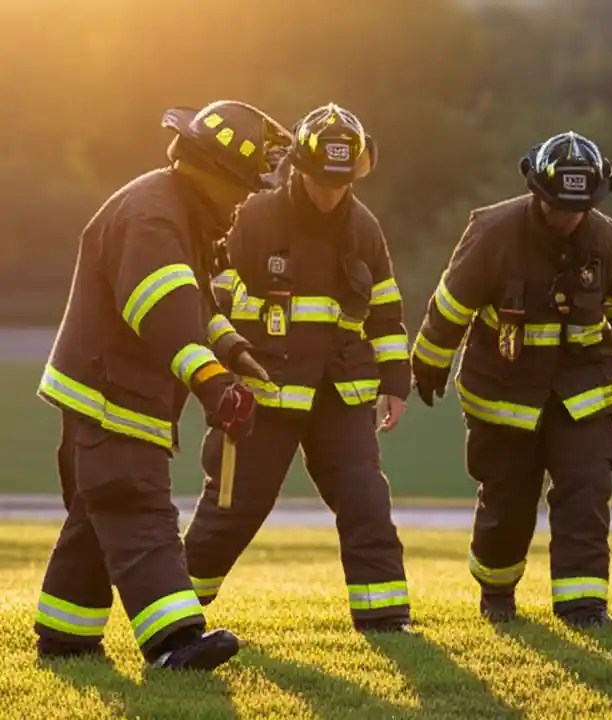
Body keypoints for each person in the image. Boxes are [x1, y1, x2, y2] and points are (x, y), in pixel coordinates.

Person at [34, 100, 290, 669]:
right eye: (243, 186)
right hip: (112, 400)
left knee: (96, 517)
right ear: (214, 172)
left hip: (110, 395)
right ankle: (175, 642)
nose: (245, 200)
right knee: (135, 508)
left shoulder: (176, 209)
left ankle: (64, 634)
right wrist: (214, 384)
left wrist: (233, 349)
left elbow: (196, 300)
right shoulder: (154, 218)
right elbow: (164, 310)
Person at [412, 131, 612, 627]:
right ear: (537, 192)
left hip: (581, 392)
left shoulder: (606, 238)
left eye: (579, 208)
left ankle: (583, 606)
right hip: (505, 395)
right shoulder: (492, 234)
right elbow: (450, 306)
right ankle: (498, 592)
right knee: (507, 502)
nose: (567, 218)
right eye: (557, 205)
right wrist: (429, 363)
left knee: (587, 487)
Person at [182, 103, 414, 633]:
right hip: (263, 396)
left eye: (343, 182)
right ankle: (173, 616)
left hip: (340, 395)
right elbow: (209, 298)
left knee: (365, 501)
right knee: (232, 511)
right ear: (301, 167)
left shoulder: (364, 227)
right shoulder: (254, 216)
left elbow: (386, 311)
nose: (332, 193)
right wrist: (221, 373)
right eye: (322, 180)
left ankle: (385, 617)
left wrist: (395, 385)